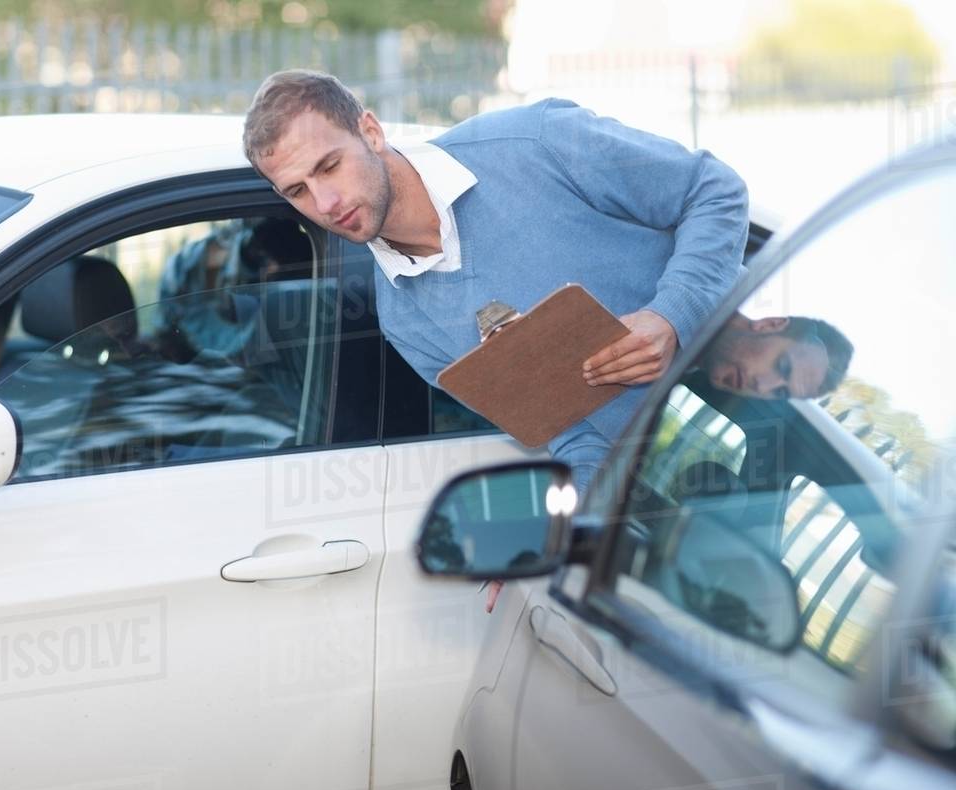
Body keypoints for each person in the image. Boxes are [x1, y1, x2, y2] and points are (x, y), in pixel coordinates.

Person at [244, 70, 750, 610]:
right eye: (297, 190)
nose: (324, 202)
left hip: (770, 408)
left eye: (329, 166)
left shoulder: (534, 142)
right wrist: (539, 534)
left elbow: (714, 191)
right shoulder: (406, 322)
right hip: (677, 520)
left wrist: (670, 315)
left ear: (370, 131)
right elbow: (575, 435)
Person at [696, 313, 852, 400]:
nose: (762, 387)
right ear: (770, 324)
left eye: (781, 392)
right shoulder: (702, 276)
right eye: (782, 366)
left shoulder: (682, 366)